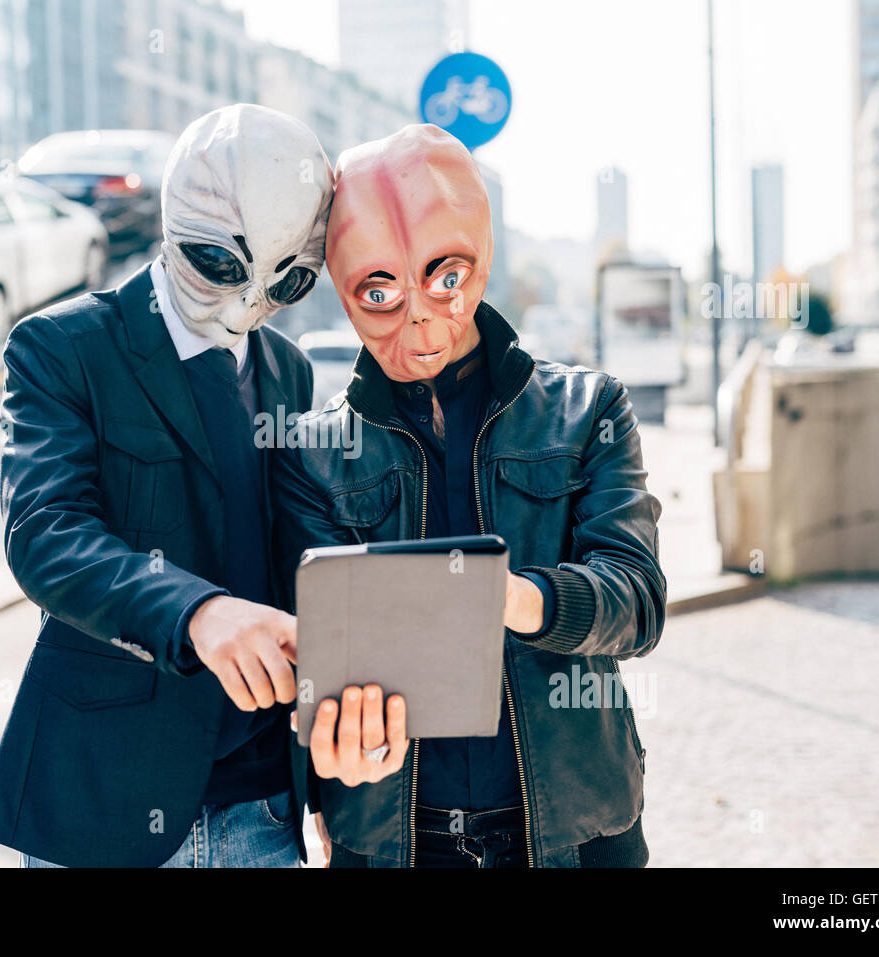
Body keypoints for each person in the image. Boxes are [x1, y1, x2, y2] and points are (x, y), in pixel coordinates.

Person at [274, 125, 666, 868]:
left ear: (479, 260)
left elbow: (637, 602)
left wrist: (512, 600)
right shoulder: (309, 452)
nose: (419, 321)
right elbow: (310, 649)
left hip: (577, 833)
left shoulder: (589, 410)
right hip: (393, 842)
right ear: (345, 289)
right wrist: (331, 758)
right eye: (380, 292)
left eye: (443, 279)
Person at [0, 104, 332, 867]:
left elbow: (306, 561)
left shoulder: (291, 375)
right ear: (178, 222)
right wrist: (195, 611)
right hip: (104, 800)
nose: (246, 304)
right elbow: (45, 534)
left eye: (287, 282)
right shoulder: (64, 348)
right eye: (223, 266)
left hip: (264, 810)